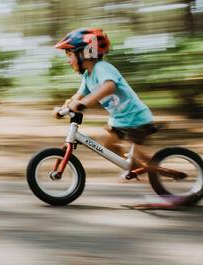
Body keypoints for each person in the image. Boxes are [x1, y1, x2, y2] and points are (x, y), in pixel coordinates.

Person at [53, 28, 157, 178]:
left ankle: (157, 175)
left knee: (140, 155)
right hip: (120, 120)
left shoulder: (102, 68)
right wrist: (62, 109)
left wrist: (85, 103)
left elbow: (109, 86)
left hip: (136, 118)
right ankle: (135, 167)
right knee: (109, 145)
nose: (68, 60)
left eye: (69, 55)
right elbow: (78, 96)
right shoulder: (88, 77)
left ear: (86, 52)